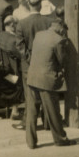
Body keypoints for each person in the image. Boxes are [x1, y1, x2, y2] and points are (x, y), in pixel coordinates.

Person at [24, 16, 73, 149]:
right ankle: (60, 139)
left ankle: (31, 142)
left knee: (32, 111)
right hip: (47, 80)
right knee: (53, 111)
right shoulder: (59, 40)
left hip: (32, 77)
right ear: (61, 28)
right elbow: (62, 60)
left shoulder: (39, 35)